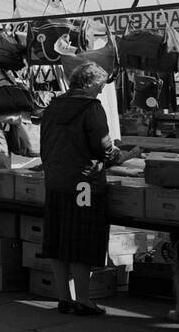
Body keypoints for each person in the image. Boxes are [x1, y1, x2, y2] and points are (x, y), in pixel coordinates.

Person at [40, 62, 137, 317]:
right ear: (91, 83)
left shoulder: (53, 106)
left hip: (56, 182)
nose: (101, 90)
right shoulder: (91, 108)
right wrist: (124, 156)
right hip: (84, 184)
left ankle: (64, 298)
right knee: (81, 242)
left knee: (58, 241)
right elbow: (104, 149)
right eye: (100, 85)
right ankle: (83, 300)